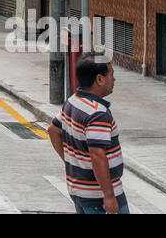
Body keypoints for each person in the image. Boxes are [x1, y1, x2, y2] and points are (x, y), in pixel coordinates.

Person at [48, 55, 127, 213]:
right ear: (99, 79)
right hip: (98, 196)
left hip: (79, 190)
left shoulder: (72, 102)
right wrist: (109, 195)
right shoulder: (98, 113)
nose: (114, 79)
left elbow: (53, 130)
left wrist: (73, 162)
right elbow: (97, 154)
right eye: (111, 74)